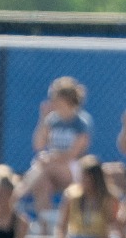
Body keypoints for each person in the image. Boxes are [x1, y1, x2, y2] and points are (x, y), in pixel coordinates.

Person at [25, 78, 92, 219]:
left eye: (55, 97)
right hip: (53, 167)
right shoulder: (52, 120)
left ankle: (17, 194)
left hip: (73, 168)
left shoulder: (80, 122)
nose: (52, 101)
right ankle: (45, 226)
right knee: (43, 184)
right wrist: (43, 118)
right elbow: (38, 145)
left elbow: (74, 154)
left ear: (65, 99)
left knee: (43, 169)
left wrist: (50, 159)